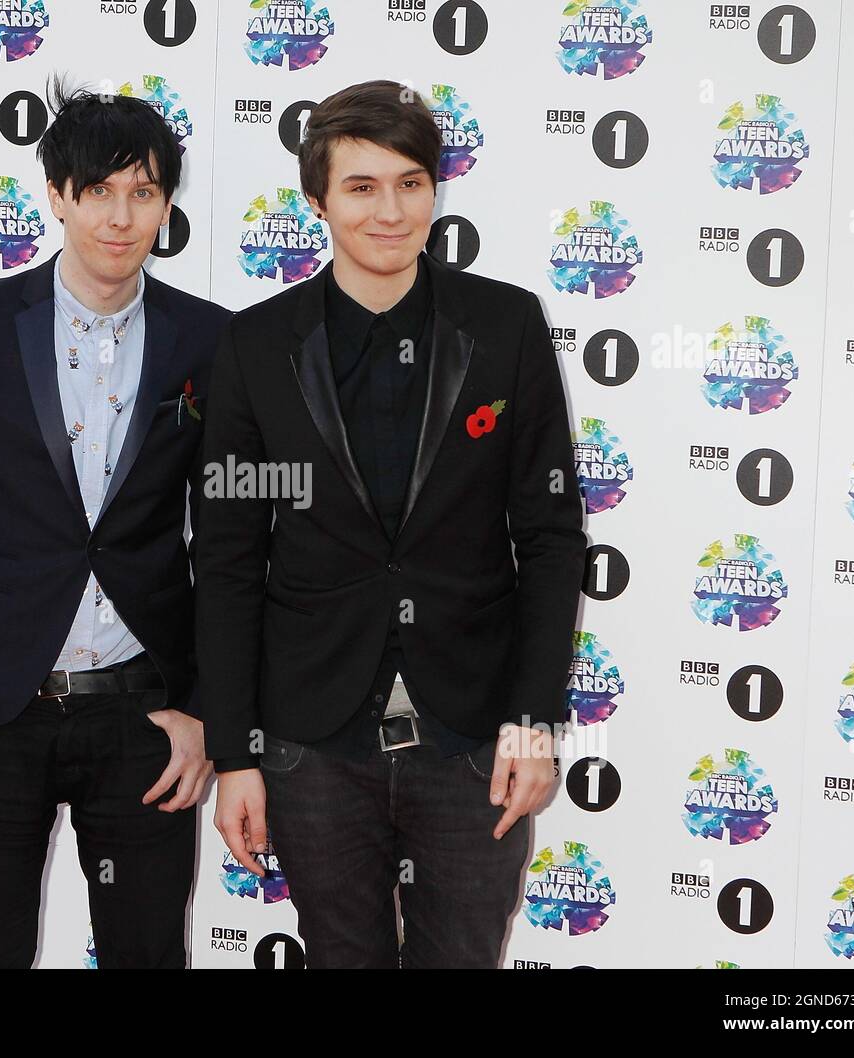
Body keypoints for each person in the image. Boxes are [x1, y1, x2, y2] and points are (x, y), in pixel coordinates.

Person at [196, 79, 587, 968]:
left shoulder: (505, 325)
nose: (391, 210)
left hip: (474, 737)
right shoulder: (257, 347)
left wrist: (533, 724)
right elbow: (226, 560)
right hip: (310, 741)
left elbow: (551, 537)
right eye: (363, 187)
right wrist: (235, 756)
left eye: (411, 183)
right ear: (318, 202)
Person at [0, 77, 228, 968]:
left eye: (143, 193)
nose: (121, 216)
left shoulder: (208, 341)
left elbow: (230, 548)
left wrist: (200, 710)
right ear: (58, 196)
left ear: (165, 205)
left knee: (149, 953)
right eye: (100, 191)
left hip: (142, 716)